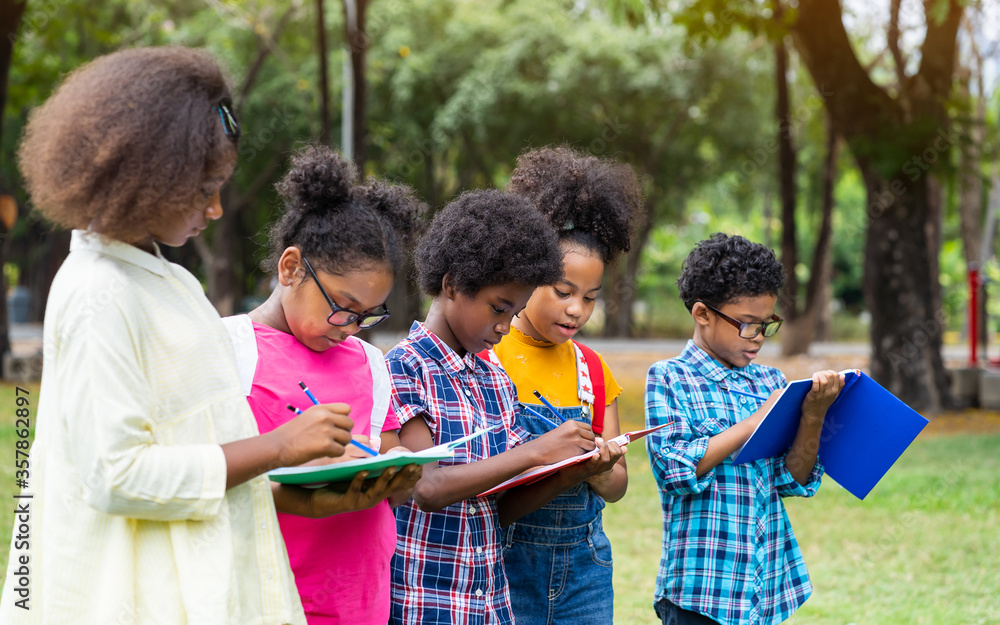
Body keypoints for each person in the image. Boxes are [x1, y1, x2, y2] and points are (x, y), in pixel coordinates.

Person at [0, 47, 354, 624]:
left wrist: (292, 491)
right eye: (203, 188)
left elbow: (191, 442)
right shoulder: (100, 292)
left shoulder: (165, 278)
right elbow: (117, 474)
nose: (216, 209)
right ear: (144, 177)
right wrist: (279, 446)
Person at [221, 145, 424, 624]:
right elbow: (205, 475)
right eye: (342, 305)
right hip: (270, 597)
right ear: (291, 268)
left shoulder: (371, 363)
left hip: (363, 599)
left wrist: (397, 474)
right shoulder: (227, 349)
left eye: (366, 315)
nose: (350, 326)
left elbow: (388, 468)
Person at [386, 189, 600, 625]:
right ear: (451, 285)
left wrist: (572, 472)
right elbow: (426, 488)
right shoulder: (404, 367)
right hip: (426, 604)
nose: (505, 326)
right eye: (498, 309)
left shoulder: (493, 378)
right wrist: (538, 450)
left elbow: (498, 506)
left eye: (515, 311)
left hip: (488, 606)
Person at [644, 233, 845, 625]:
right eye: (747, 325)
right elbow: (673, 470)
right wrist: (753, 423)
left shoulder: (770, 382)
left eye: (766, 325)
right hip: (700, 595)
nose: (757, 339)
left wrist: (813, 416)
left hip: (763, 590)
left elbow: (792, 480)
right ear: (702, 313)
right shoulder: (669, 378)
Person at [492, 146, 641, 624]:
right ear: (529, 276)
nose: (576, 309)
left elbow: (617, 487)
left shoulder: (593, 370)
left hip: (585, 571)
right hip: (507, 563)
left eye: (590, 298)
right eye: (563, 292)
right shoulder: (491, 355)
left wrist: (601, 466)